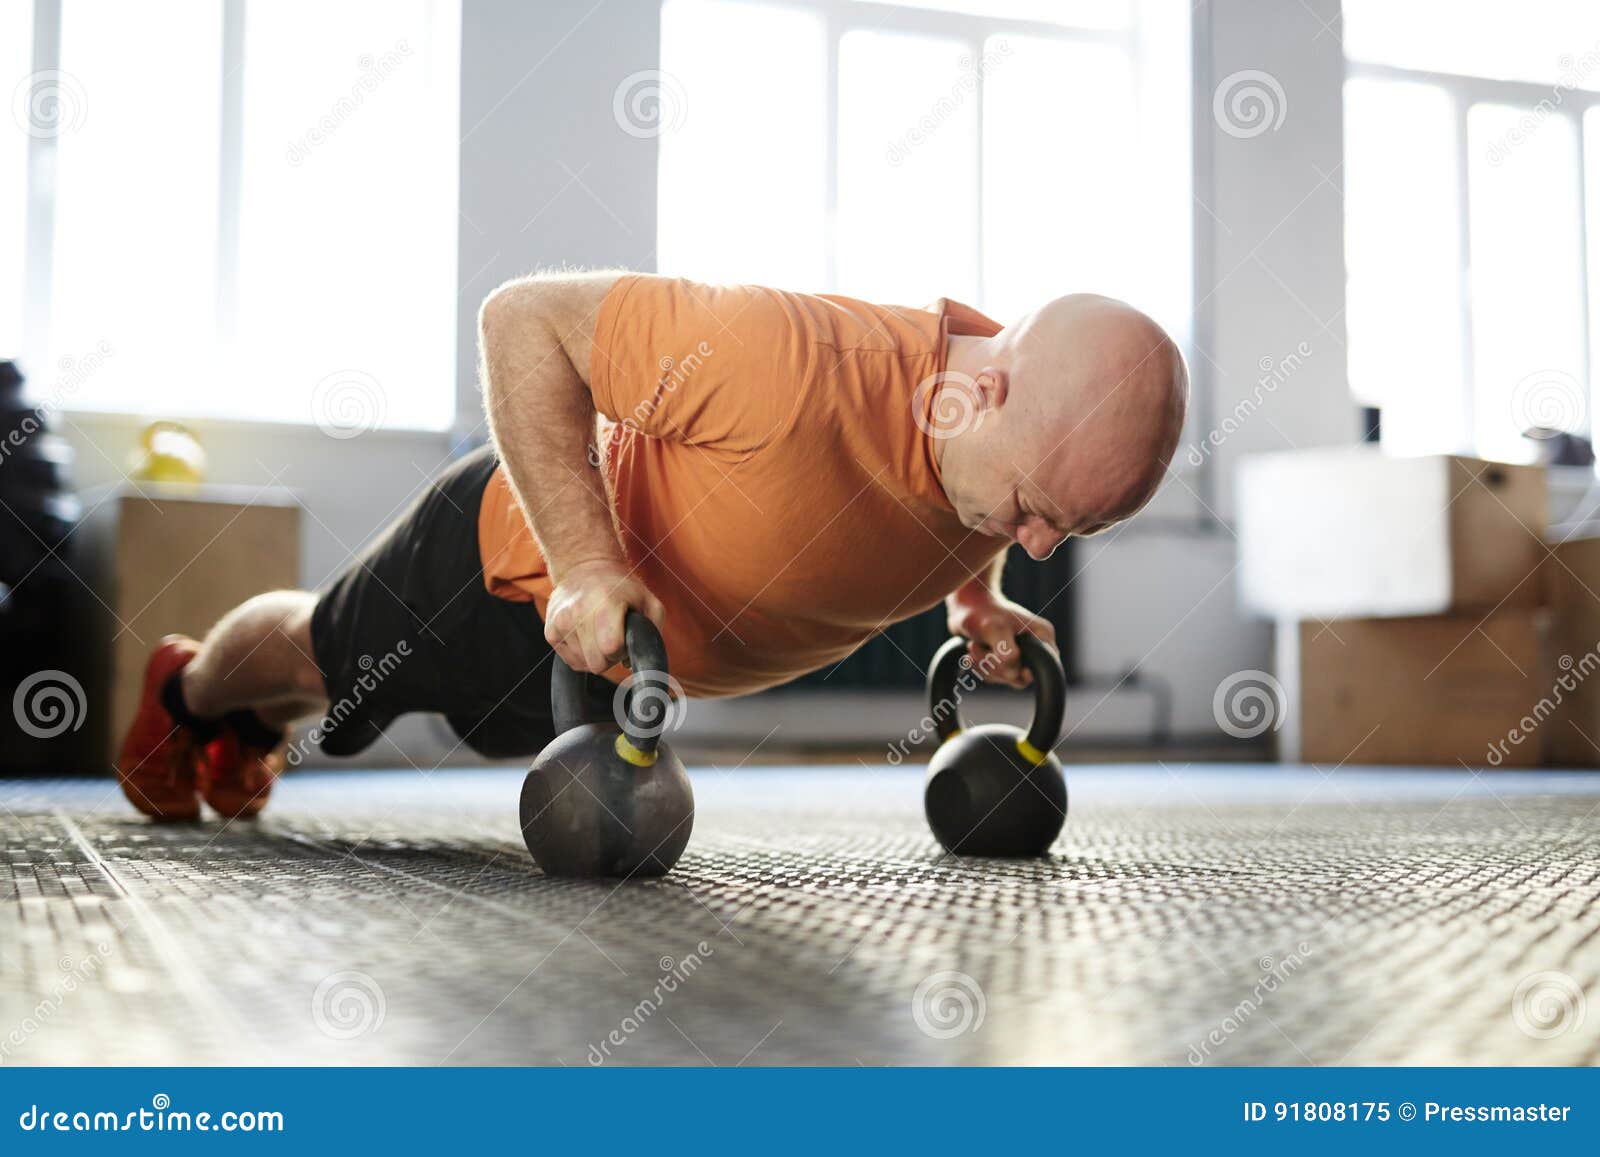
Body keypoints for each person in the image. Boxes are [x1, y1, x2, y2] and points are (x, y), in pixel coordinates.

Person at [115, 272, 1188, 820]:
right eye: (1038, 507)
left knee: (384, 703)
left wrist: (976, 600)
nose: (1042, 541)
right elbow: (520, 319)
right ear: (981, 393)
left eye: (1072, 530)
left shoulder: (986, 439)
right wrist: (583, 565)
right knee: (316, 661)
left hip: (605, 675)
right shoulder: (792, 358)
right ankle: (190, 694)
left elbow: (953, 509)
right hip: (506, 566)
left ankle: (229, 707)